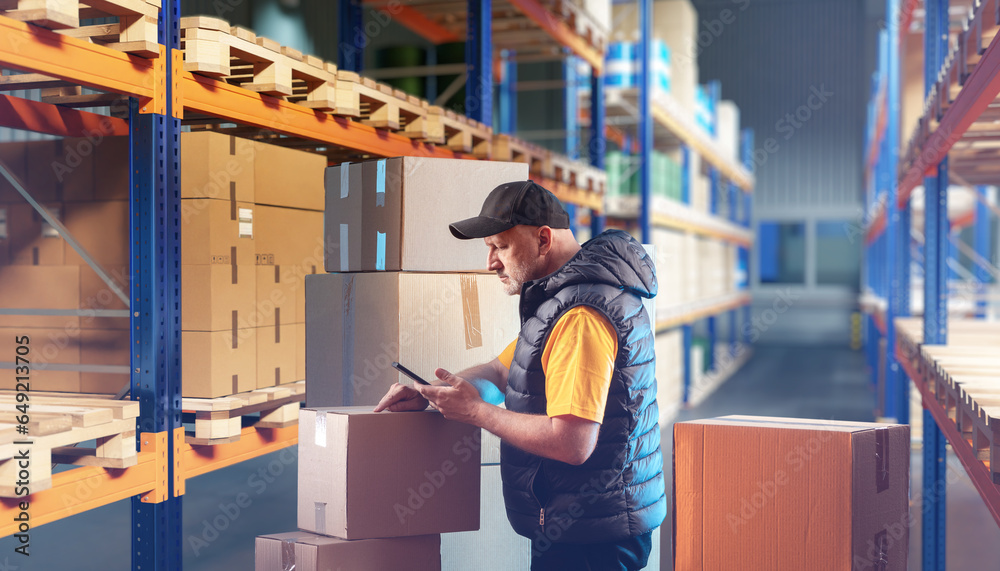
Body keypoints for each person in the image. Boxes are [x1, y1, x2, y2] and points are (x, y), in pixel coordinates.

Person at [374, 180, 665, 570]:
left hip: (593, 541)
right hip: (578, 527)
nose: (491, 262)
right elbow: (502, 370)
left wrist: (476, 412)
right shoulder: (559, 300)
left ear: (543, 240)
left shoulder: (581, 316)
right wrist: (434, 392)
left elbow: (573, 442)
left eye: (501, 247)